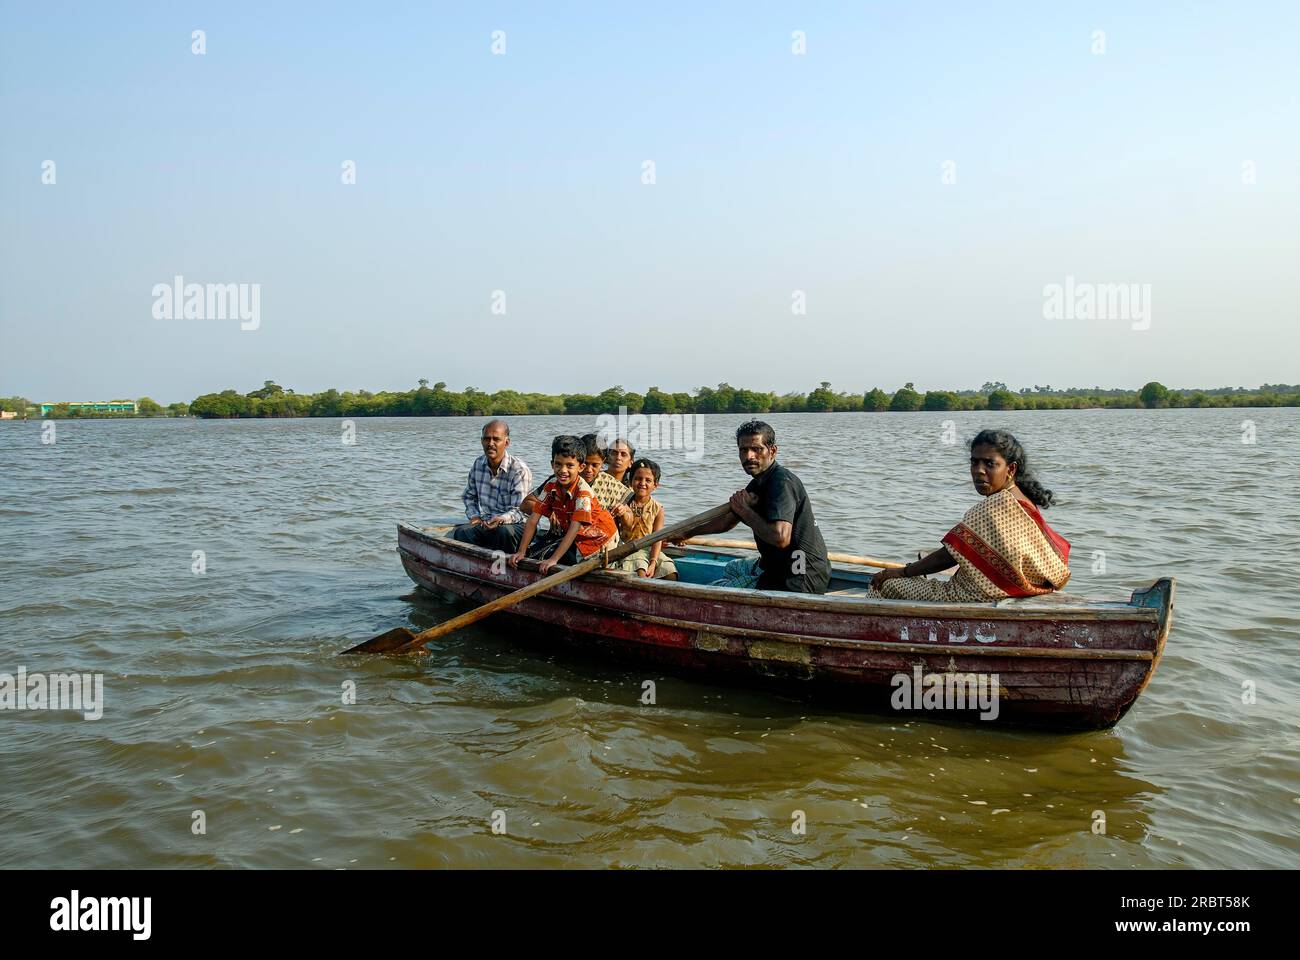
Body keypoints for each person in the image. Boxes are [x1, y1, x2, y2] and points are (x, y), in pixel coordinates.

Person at [869, 429, 1071, 601]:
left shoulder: (994, 505)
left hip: (975, 595)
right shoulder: (1022, 498)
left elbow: (948, 556)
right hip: (1020, 589)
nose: (979, 471)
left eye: (989, 464)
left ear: (1010, 469)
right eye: (974, 463)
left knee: (885, 585)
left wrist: (902, 572)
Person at [683, 420, 830, 593]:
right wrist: (685, 533)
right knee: (732, 568)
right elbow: (726, 522)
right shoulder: (758, 482)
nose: (749, 456)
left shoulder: (781, 482)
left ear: (772, 451)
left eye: (756, 449)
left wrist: (745, 510)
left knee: (713, 591)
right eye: (743, 450)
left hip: (798, 577)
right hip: (779, 567)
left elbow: (780, 538)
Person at [510, 435, 619, 574]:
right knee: (533, 553)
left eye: (569, 466)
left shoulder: (583, 493)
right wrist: (521, 551)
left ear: (581, 467)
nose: (563, 470)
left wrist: (553, 560)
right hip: (576, 535)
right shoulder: (550, 486)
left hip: (600, 538)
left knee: (561, 559)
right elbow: (533, 519)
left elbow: (574, 529)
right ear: (552, 464)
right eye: (558, 464)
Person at [452, 419, 532, 552]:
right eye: (487, 439)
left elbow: (520, 511)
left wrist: (501, 519)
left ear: (506, 442)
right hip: (489, 521)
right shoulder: (478, 464)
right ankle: (479, 566)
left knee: (504, 532)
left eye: (496, 439)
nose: (491, 444)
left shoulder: (519, 470)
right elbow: (469, 497)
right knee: (462, 532)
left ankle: (504, 569)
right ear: (481, 441)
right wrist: (475, 516)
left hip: (518, 523)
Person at [609, 458, 678, 579]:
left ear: (655, 485)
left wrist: (653, 562)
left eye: (648, 480)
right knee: (641, 570)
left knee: (670, 571)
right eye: (638, 479)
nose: (642, 483)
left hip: (649, 550)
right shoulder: (623, 503)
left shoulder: (658, 508)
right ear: (631, 482)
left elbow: (657, 538)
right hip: (627, 550)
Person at [579, 434, 635, 511]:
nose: (618, 458)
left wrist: (624, 512)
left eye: (623, 454)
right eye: (614, 453)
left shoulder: (624, 490)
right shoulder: (567, 479)